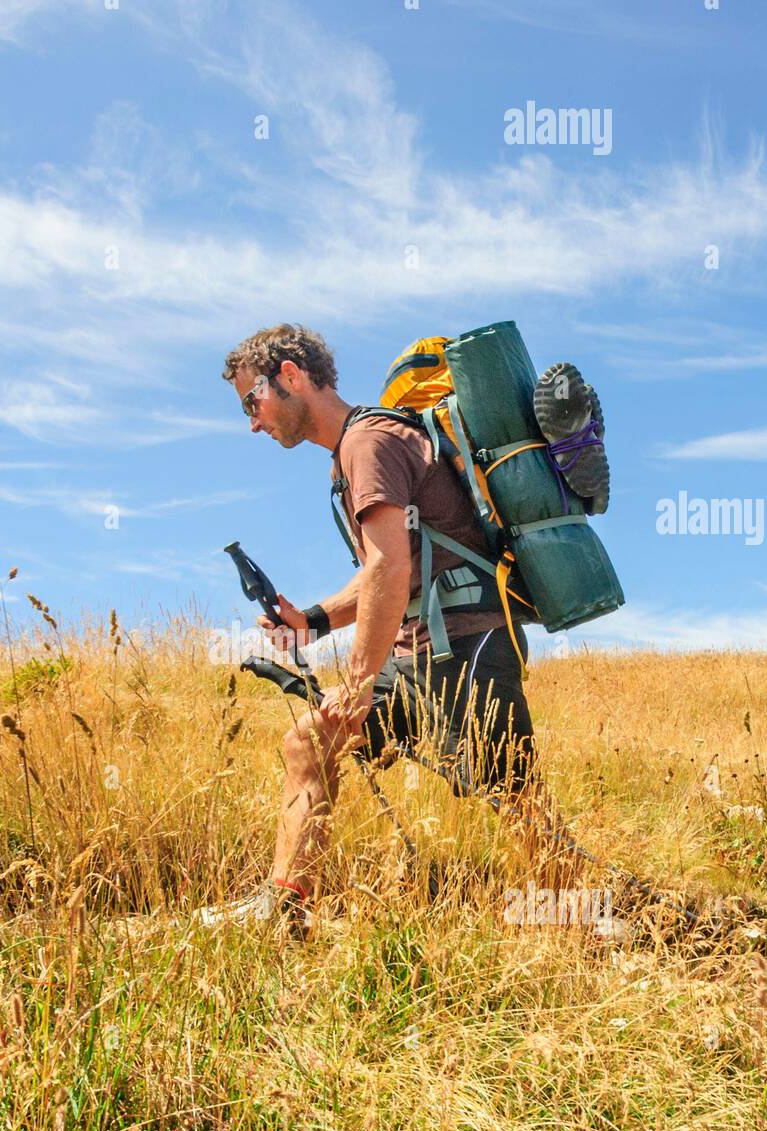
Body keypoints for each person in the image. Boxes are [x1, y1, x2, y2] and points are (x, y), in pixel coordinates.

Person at [206, 323, 535, 933]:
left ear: (290, 375)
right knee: (311, 740)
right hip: (419, 655)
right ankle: (286, 908)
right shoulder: (356, 451)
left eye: (253, 401)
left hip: (466, 653)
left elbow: (389, 565)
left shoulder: (369, 442)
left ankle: (609, 921)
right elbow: (390, 566)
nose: (252, 422)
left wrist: (355, 685)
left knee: (524, 816)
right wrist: (312, 621)